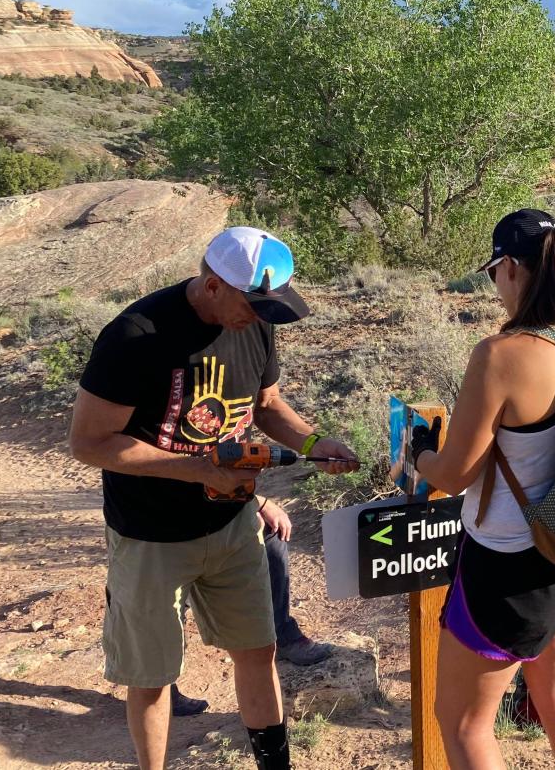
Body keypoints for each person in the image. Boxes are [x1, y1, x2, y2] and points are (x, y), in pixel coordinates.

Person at [68, 227, 359, 770]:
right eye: (254, 306)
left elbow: (266, 405)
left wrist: (313, 442)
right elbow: (89, 442)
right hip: (151, 535)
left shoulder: (254, 323)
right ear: (212, 286)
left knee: (258, 651)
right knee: (152, 675)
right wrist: (197, 469)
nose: (262, 318)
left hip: (232, 526)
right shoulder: (135, 335)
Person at [410, 209, 555, 770]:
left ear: (512, 268)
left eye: (495, 270)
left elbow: (455, 474)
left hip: (509, 566)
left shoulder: (501, 355)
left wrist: (418, 453)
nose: (496, 282)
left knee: (464, 724)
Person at [169, 500, 334, 718]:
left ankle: (281, 635)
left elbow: (221, 481)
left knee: (270, 529)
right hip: (159, 530)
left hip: (215, 515)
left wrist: (259, 502)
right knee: (164, 605)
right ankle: (162, 683)